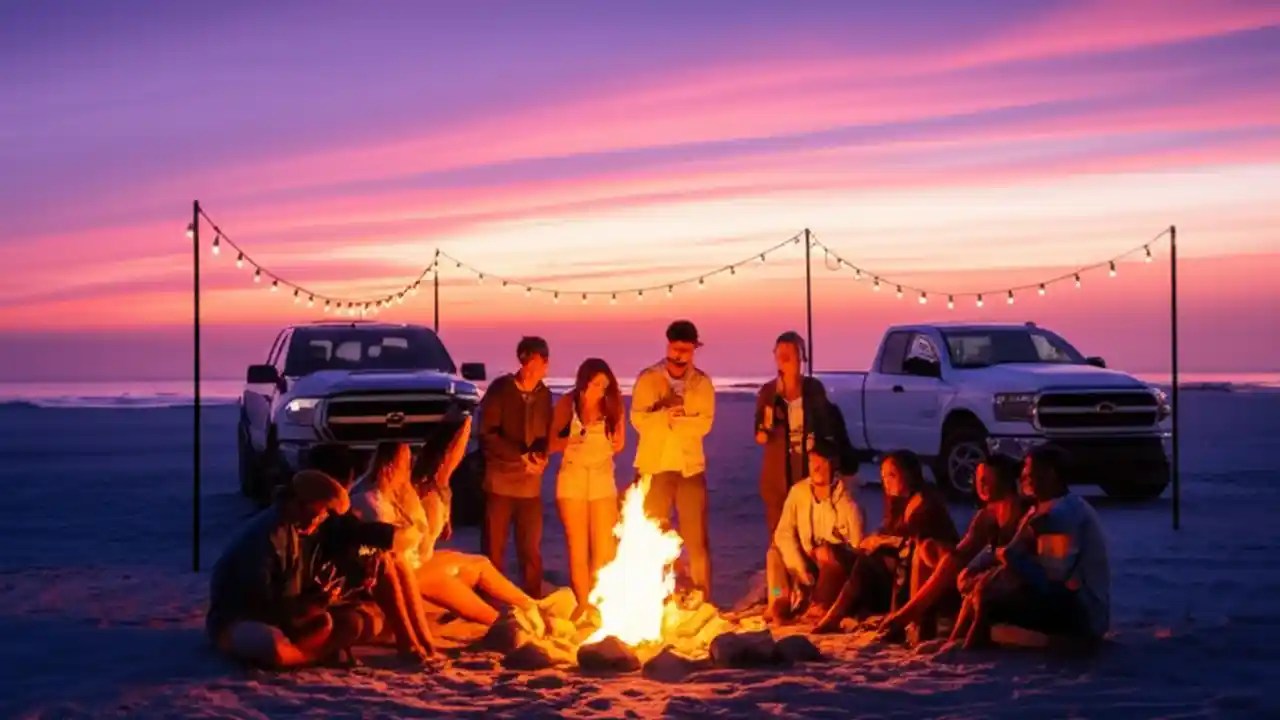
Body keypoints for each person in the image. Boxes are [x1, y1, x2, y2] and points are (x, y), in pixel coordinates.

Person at [206, 471, 361, 669]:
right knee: (269, 643)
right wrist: (304, 608)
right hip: (237, 619)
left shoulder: (294, 532)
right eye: (321, 512)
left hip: (276, 616)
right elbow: (259, 602)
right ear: (301, 504)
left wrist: (320, 597)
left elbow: (290, 595)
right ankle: (308, 657)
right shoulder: (265, 535)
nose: (321, 519)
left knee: (340, 622)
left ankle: (298, 655)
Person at [962, 445, 1111, 647]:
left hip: (1081, 612)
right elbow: (1008, 550)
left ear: (1050, 474)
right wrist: (982, 567)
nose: (1024, 476)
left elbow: (1053, 579)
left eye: (1030, 471)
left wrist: (1008, 563)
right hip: (1065, 600)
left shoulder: (1062, 515)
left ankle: (966, 650)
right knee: (983, 589)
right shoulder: (1039, 509)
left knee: (988, 598)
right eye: (1024, 470)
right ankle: (959, 643)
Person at [409, 416, 546, 634]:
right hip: (409, 569)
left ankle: (531, 605)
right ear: (445, 453)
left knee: (480, 563)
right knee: (445, 579)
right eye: (457, 448)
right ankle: (503, 623)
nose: (461, 454)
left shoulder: (442, 486)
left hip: (422, 560)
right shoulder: (419, 489)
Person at [880, 455, 1026, 640]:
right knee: (928, 549)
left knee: (939, 556)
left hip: (1009, 581)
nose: (981, 485)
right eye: (978, 479)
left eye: (986, 479)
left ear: (1003, 479)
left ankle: (909, 616)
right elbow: (962, 551)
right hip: (973, 577)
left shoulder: (1020, 512)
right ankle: (918, 625)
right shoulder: (986, 515)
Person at [815, 450, 959, 632]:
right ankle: (824, 608)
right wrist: (873, 541)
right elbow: (886, 533)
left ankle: (835, 616)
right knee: (837, 554)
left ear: (909, 474)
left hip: (917, 582)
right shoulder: (897, 503)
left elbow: (914, 546)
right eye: (883, 476)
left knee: (865, 564)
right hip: (893, 574)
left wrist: (881, 542)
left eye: (892, 475)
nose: (886, 481)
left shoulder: (923, 503)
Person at [631, 319, 716, 597]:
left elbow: (704, 425)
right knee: (654, 537)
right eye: (676, 349)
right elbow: (638, 420)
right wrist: (665, 415)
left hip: (689, 469)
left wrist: (676, 420)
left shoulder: (701, 383)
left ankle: (703, 597)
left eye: (686, 351)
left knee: (696, 540)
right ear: (668, 346)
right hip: (655, 468)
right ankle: (657, 597)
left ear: (694, 351)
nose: (680, 356)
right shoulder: (648, 378)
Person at [348, 443, 439, 662]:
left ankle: (423, 640)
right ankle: (413, 641)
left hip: (401, 561)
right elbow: (395, 541)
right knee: (395, 561)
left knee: (476, 564)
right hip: (367, 572)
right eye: (405, 465)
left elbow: (417, 538)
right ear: (389, 467)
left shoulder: (394, 496)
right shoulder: (370, 498)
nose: (409, 470)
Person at [549, 358, 625, 617]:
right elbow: (551, 443)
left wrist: (611, 441)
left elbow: (619, 443)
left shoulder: (612, 405)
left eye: (605, 385)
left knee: (604, 546)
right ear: (584, 383)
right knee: (578, 545)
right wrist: (571, 438)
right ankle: (583, 603)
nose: (600, 390)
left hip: (602, 478)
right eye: (596, 384)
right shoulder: (567, 404)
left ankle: (600, 601)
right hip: (573, 477)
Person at [755, 331, 850, 536]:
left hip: (808, 473)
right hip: (778, 478)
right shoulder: (769, 392)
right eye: (781, 354)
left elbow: (827, 426)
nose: (785, 360)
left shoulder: (814, 388)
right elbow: (760, 435)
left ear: (802, 359)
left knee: (809, 531)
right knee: (780, 537)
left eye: (791, 354)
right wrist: (767, 424)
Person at [765, 435, 866, 626]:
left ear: (833, 465)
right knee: (774, 554)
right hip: (805, 566)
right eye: (812, 461)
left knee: (826, 553)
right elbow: (783, 533)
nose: (816, 467)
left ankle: (819, 604)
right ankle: (779, 599)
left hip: (833, 569)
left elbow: (858, 549)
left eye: (822, 462)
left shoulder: (849, 501)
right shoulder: (798, 493)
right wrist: (800, 569)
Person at [480, 335, 553, 598]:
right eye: (526, 364)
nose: (530, 370)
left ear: (545, 363)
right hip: (499, 482)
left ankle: (532, 599)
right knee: (493, 548)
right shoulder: (501, 389)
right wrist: (519, 455)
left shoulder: (544, 395)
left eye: (535, 364)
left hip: (529, 487)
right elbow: (487, 434)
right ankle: (489, 602)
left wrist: (541, 456)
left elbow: (545, 434)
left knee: (530, 549)